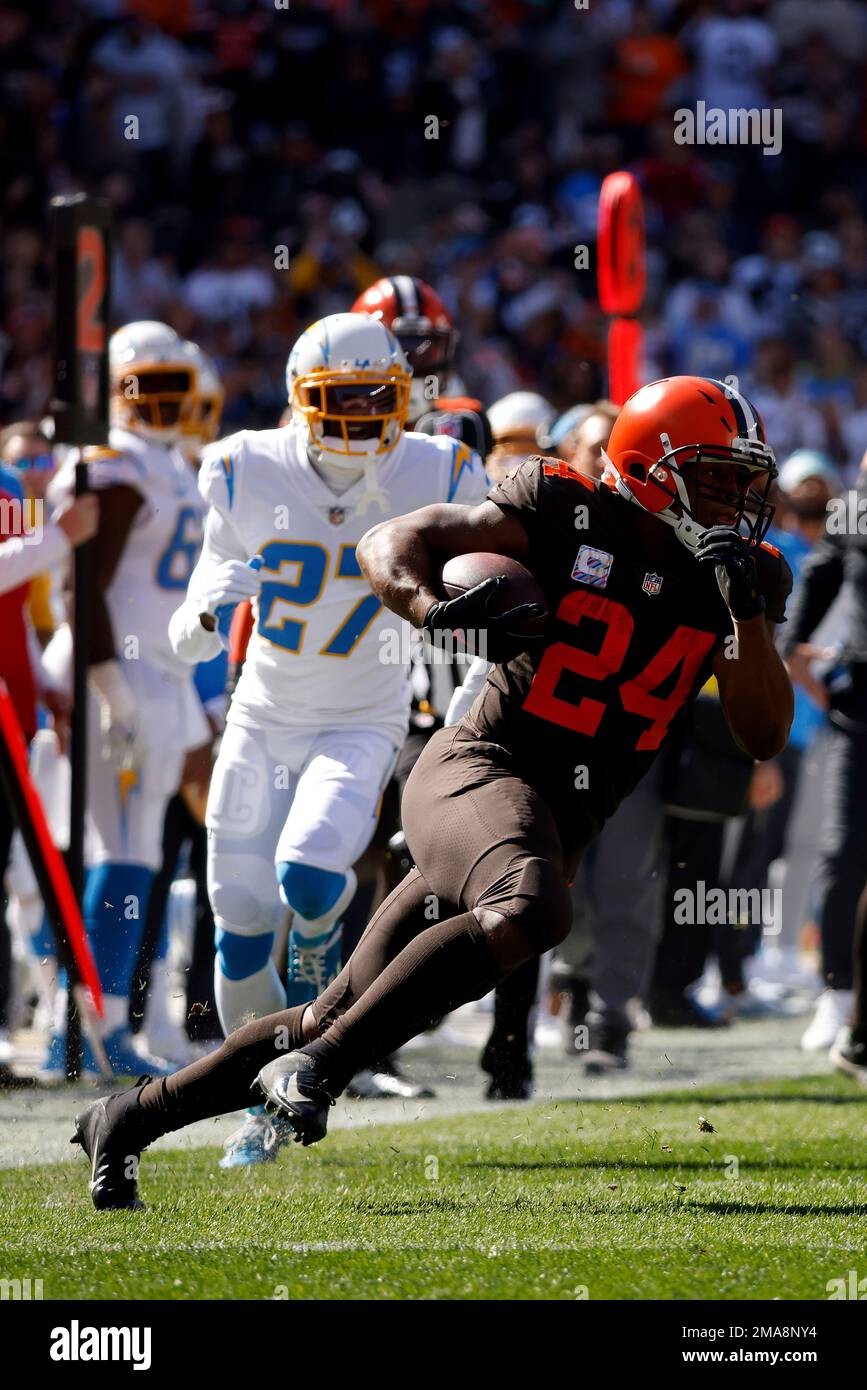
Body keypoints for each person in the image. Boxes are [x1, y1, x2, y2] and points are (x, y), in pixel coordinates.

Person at [71, 376, 794, 1211]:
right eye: (712, 475)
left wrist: (745, 616)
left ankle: (127, 1117)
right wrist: (430, 606)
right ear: (648, 466)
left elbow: (762, 731)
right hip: (476, 770)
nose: (734, 496)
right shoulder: (566, 508)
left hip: (550, 821)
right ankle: (321, 1073)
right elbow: (392, 540)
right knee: (532, 911)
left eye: (743, 478)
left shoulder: (744, 578)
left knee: (331, 1010)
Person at [166, 311, 487, 1166]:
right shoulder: (242, 467)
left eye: (372, 396)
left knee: (310, 875)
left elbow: (471, 595)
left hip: (361, 716)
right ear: (298, 400)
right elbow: (186, 632)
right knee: (237, 917)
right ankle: (258, 1109)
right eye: (335, 397)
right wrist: (205, 613)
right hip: (263, 715)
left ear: (403, 396)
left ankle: (317, 947)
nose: (355, 414)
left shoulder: (441, 466)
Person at [42, 322, 212, 1079]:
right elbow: (84, 587)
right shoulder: (112, 463)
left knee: (135, 855)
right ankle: (83, 1029)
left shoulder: (165, 463)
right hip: (117, 676)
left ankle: (93, 1024)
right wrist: (109, 686)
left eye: (177, 386)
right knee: (120, 853)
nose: (166, 403)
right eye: (152, 386)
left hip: (160, 675)